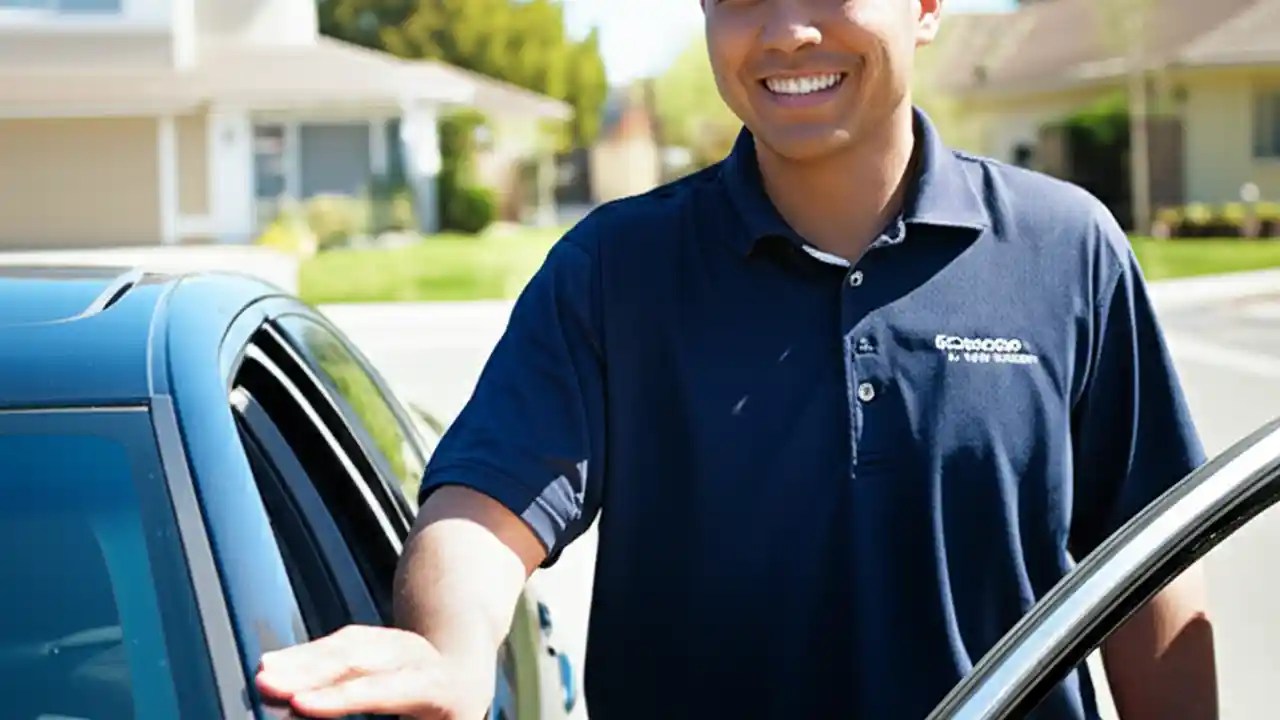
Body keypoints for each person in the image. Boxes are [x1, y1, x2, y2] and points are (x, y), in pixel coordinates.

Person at [255, 0, 1219, 718]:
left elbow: (1152, 563)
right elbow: (483, 508)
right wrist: (449, 654)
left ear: (927, 7)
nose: (787, 32)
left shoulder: (1067, 252)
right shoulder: (615, 270)